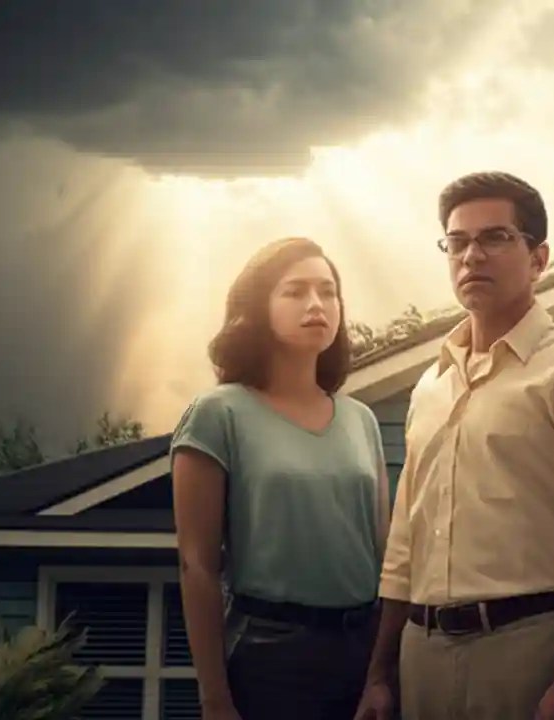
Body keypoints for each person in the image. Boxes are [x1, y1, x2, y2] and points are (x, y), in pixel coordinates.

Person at [354, 172, 554, 720]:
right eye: (457, 242)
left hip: (531, 648)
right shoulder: (430, 387)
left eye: (495, 238)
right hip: (424, 653)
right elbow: (403, 548)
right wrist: (379, 674)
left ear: (539, 258)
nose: (472, 256)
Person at [171, 237, 391, 720]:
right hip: (268, 654)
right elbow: (198, 566)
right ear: (257, 308)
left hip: (361, 653)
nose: (316, 304)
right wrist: (215, 698)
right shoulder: (218, 413)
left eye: (328, 291)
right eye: (295, 291)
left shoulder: (361, 420)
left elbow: (385, 559)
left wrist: (380, 673)